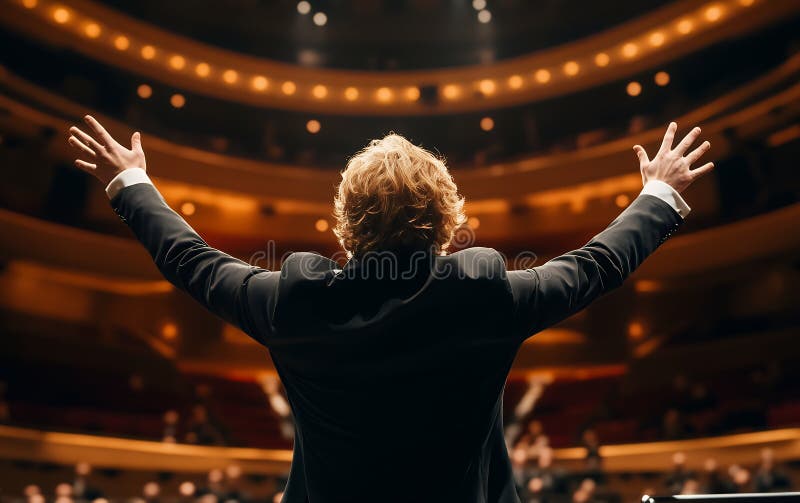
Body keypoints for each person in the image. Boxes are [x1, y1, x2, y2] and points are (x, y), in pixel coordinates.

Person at [67, 116, 712, 502]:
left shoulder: (295, 303)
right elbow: (595, 266)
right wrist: (657, 193)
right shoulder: (483, 296)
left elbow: (193, 262)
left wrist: (131, 182)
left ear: (345, 224)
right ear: (448, 221)